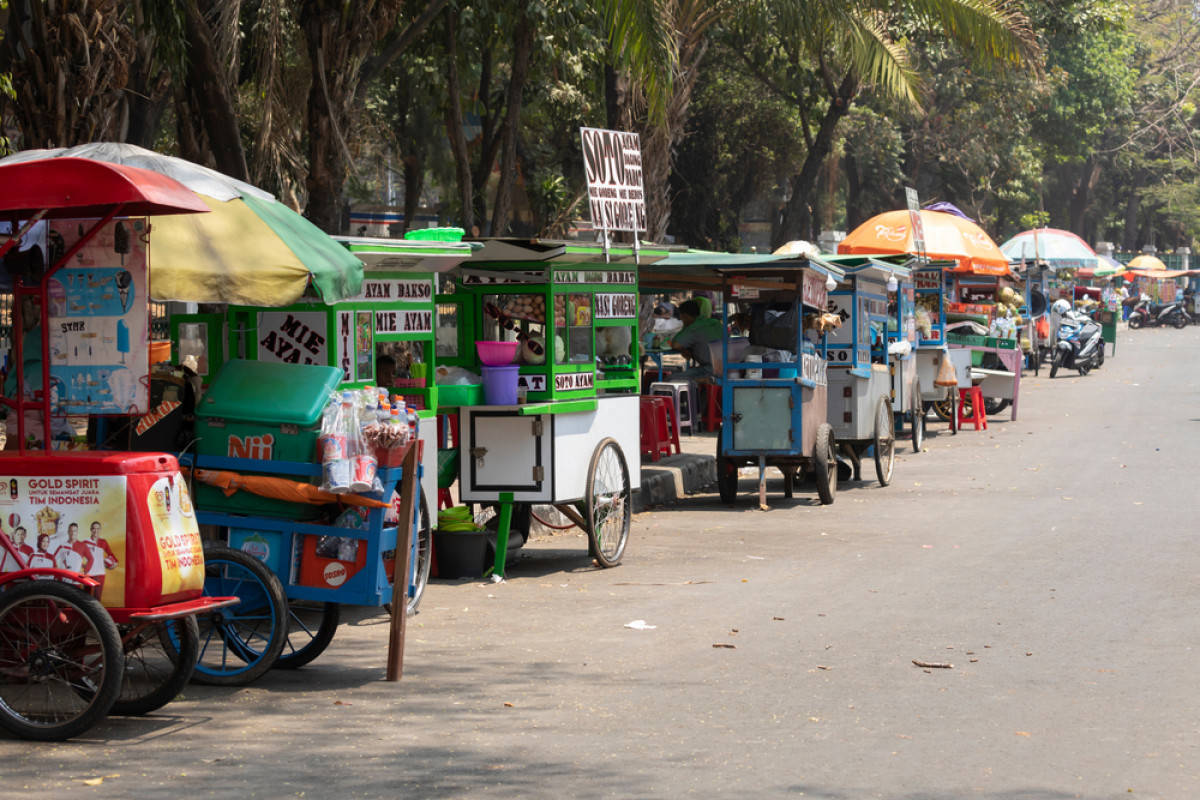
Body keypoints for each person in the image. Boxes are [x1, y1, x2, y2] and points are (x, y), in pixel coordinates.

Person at [667, 300, 724, 379]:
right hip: (728, 368)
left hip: (711, 371)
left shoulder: (693, 327)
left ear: (685, 316)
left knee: (670, 378)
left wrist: (685, 327)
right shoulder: (716, 322)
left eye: (682, 318)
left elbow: (676, 345)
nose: (682, 321)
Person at [81, 520, 118, 593]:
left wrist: (113, 564)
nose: (96, 531)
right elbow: (78, 556)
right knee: (86, 596)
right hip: (88, 574)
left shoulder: (103, 542)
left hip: (100, 574)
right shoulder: (85, 542)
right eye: (94, 528)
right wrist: (83, 565)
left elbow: (111, 554)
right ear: (91, 530)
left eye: (98, 529)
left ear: (100, 530)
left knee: (97, 596)